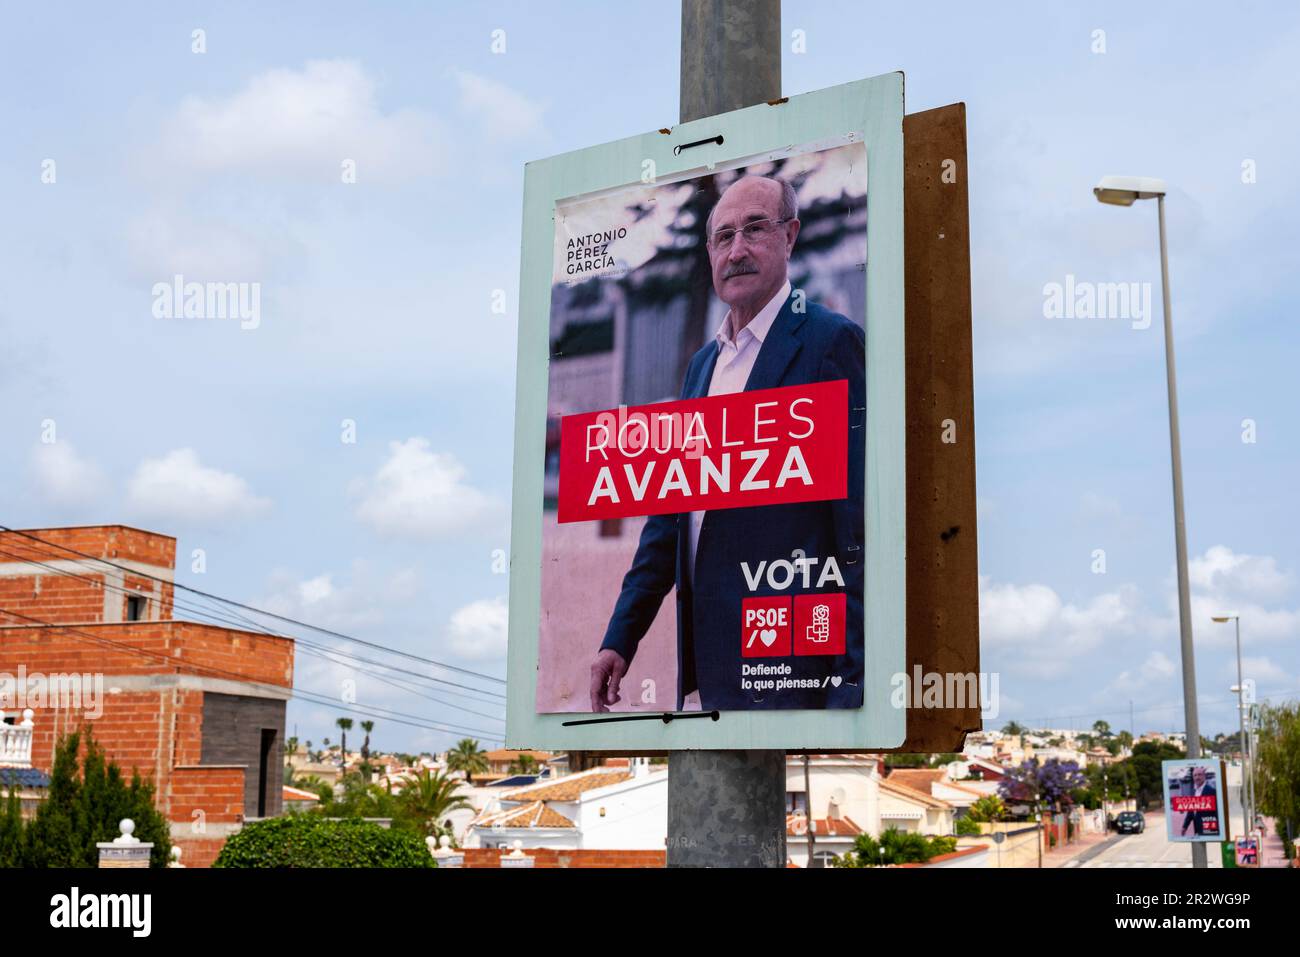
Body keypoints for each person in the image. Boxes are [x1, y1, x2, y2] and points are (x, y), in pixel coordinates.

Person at [589, 174, 864, 712]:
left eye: (755, 229)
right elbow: (669, 520)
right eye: (723, 237)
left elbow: (856, 527)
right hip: (713, 670)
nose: (737, 251)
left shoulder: (831, 343)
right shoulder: (702, 368)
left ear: (790, 236)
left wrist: (851, 683)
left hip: (793, 667)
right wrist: (619, 639)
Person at [1178, 765, 1219, 837]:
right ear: (1193, 778)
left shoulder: (1212, 791)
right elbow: (1191, 811)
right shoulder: (1193, 792)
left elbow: (1217, 812)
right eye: (1195, 775)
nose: (1197, 777)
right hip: (1198, 830)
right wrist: (1185, 826)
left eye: (1199, 774)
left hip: (1209, 830)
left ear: (1204, 776)